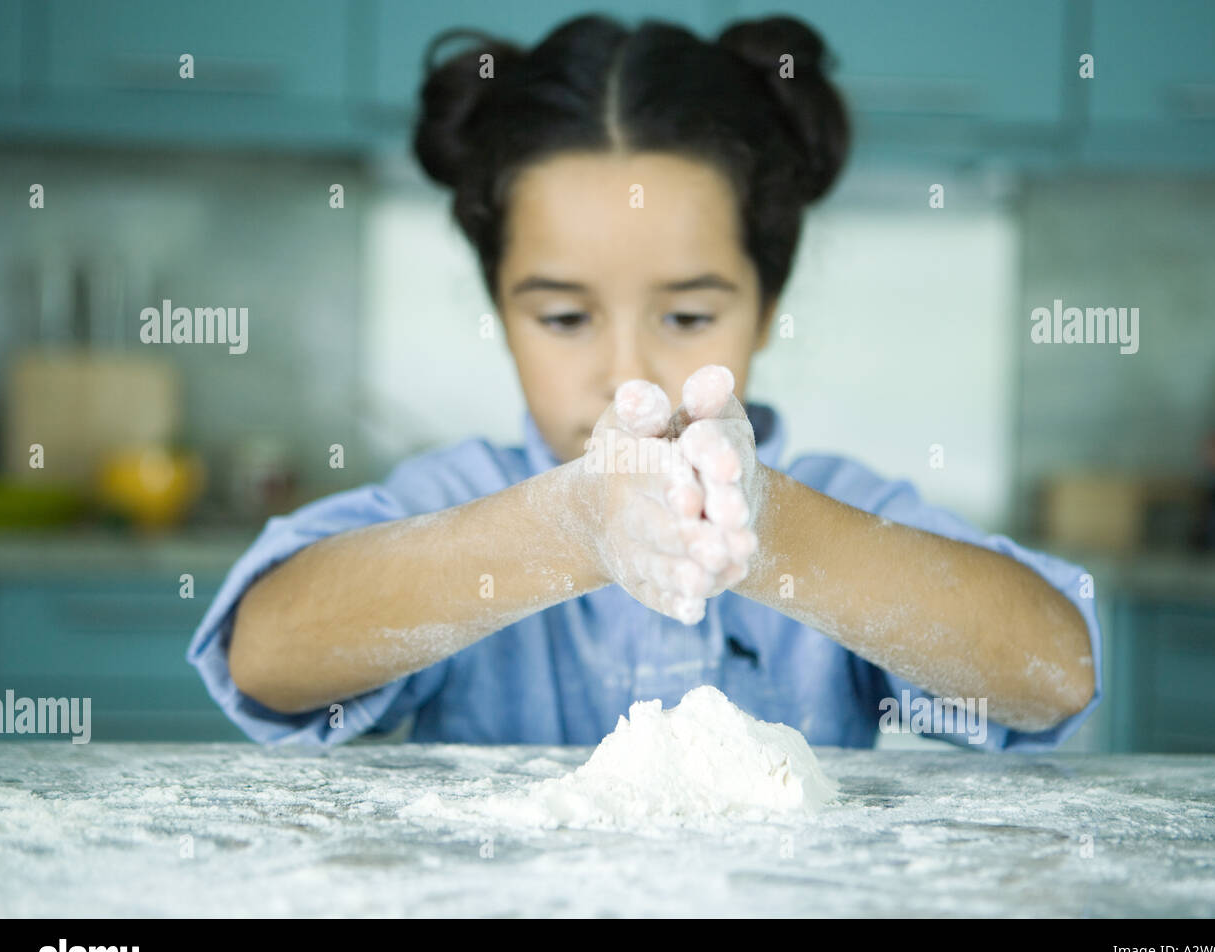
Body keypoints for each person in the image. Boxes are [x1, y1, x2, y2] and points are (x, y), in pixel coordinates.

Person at [187, 15, 1101, 750]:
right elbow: (264, 654)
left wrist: (768, 532)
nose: (628, 376)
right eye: (563, 317)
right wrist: (567, 526)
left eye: (690, 316)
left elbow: (1054, 675)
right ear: (501, 311)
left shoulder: (835, 508)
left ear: (768, 304)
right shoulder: (461, 501)